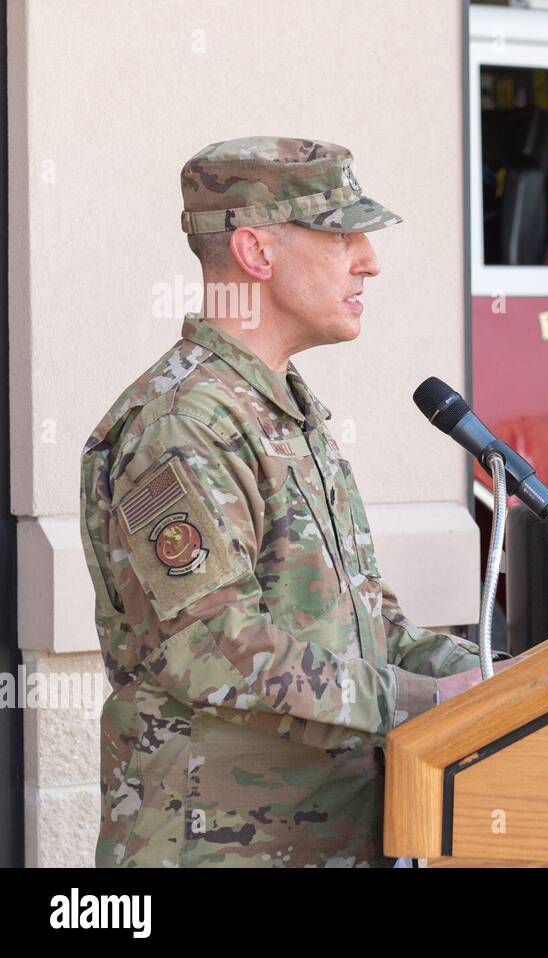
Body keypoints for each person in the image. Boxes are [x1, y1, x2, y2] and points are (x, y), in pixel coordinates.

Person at [79, 137, 498, 867]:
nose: (369, 260)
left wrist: (504, 673)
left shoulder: (285, 414)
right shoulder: (183, 424)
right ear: (256, 253)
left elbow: (373, 630)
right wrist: (426, 702)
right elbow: (212, 650)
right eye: (341, 234)